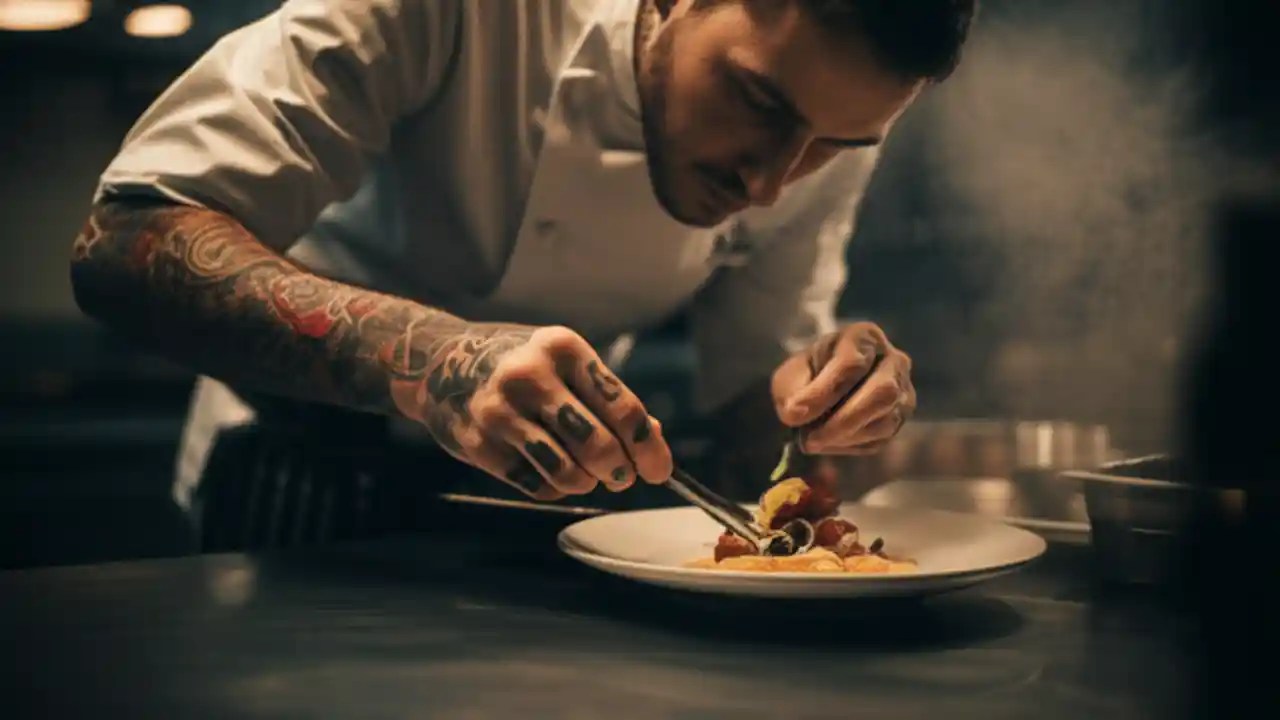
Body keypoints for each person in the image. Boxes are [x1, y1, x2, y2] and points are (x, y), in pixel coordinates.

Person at [69, 0, 974, 533]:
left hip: (548, 517)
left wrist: (819, 409)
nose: (774, 182)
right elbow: (122, 244)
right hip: (298, 478)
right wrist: (438, 364)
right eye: (756, 100)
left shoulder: (820, 126)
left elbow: (749, 406)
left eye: (835, 145)